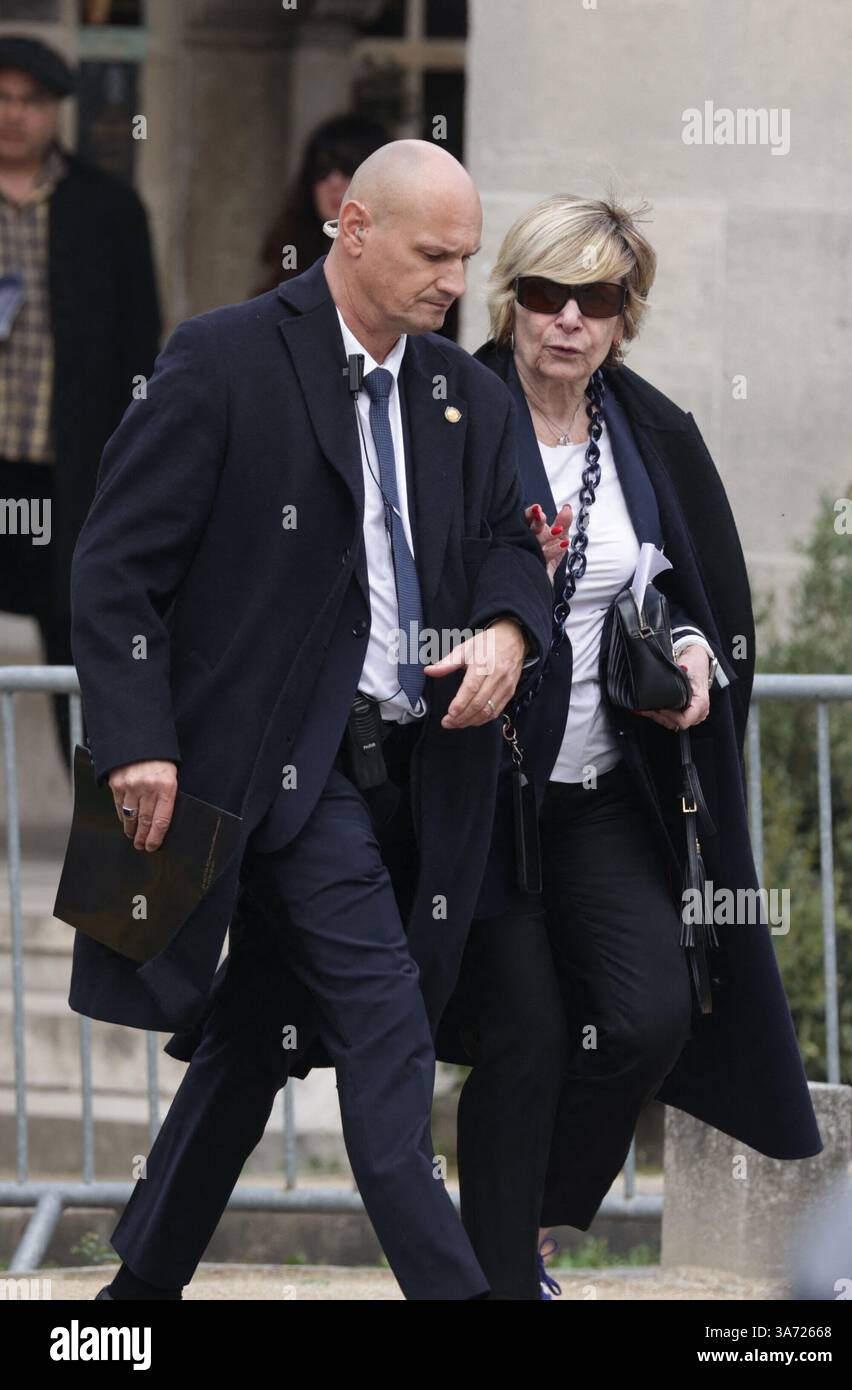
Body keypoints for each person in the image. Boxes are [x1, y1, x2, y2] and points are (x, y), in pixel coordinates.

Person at [67, 139, 550, 1301]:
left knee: (252, 1043)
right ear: (353, 231)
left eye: (467, 258)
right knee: (387, 1043)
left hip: (417, 784)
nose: (453, 280)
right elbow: (113, 568)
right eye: (433, 254)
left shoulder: (464, 396)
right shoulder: (222, 358)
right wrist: (138, 738)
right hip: (274, 779)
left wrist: (507, 632)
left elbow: (509, 548)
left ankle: (125, 1312)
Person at [434, 193, 824, 1299]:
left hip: (603, 790)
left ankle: (538, 1224)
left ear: (623, 314)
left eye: (593, 298)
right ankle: (501, 1273)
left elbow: (684, 589)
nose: (566, 319)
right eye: (545, 294)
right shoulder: (447, 415)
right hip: (482, 793)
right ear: (511, 300)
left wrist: (695, 653)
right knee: (526, 1032)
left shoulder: (651, 433)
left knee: (650, 1010)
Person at [0, 35, 160, 768]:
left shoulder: (107, 207)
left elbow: (141, 342)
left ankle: (101, 838)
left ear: (57, 110)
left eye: (30, 101)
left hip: (69, 470)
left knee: (80, 642)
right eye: (1, 97)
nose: (13, 115)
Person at [253, 113, 390, 294]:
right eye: (322, 171)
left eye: (349, 168)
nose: (334, 182)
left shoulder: (400, 262)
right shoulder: (291, 265)